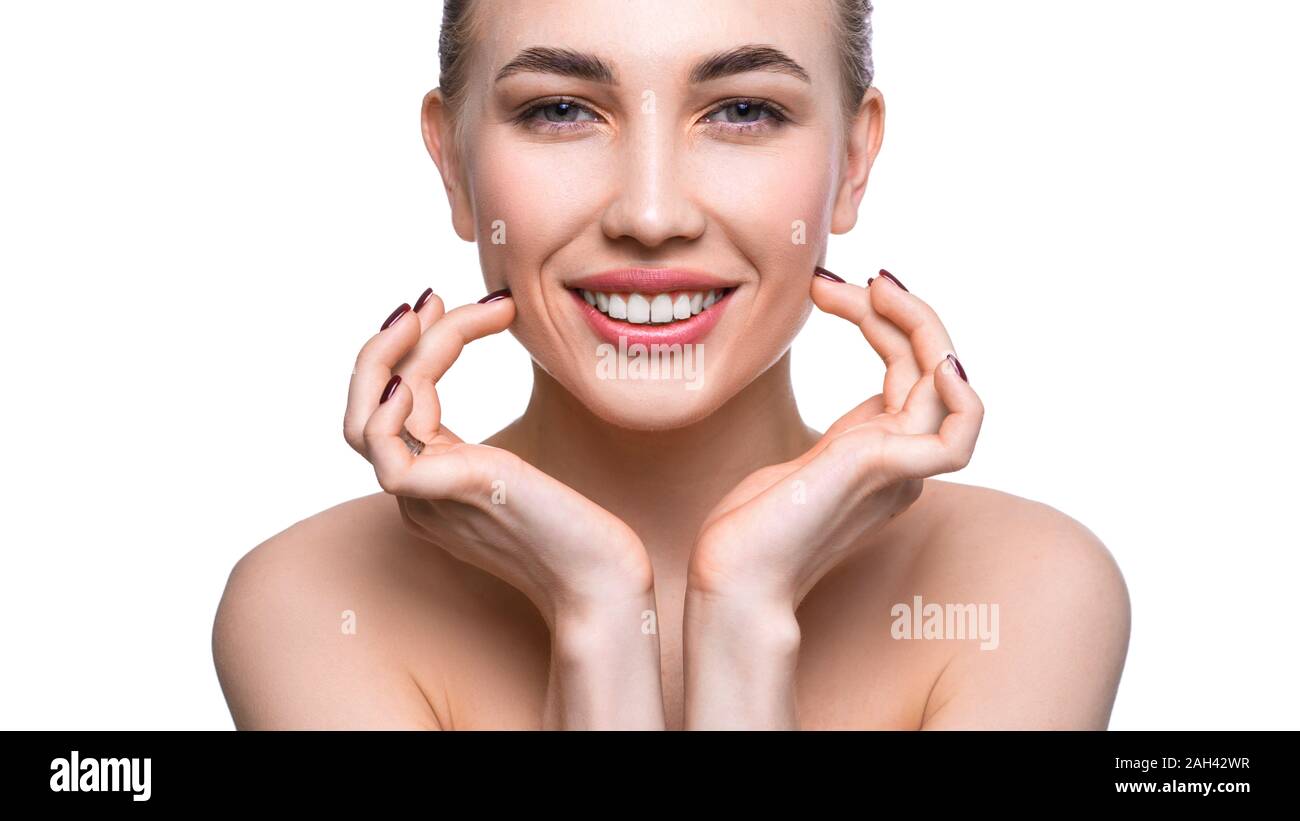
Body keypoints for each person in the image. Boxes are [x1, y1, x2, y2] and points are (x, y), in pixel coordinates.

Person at [212, 0, 1130, 730]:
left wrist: (744, 607)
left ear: (852, 161)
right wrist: (598, 610)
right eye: (562, 110)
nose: (651, 214)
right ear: (454, 163)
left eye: (741, 110)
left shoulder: (1025, 591)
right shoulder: (310, 604)